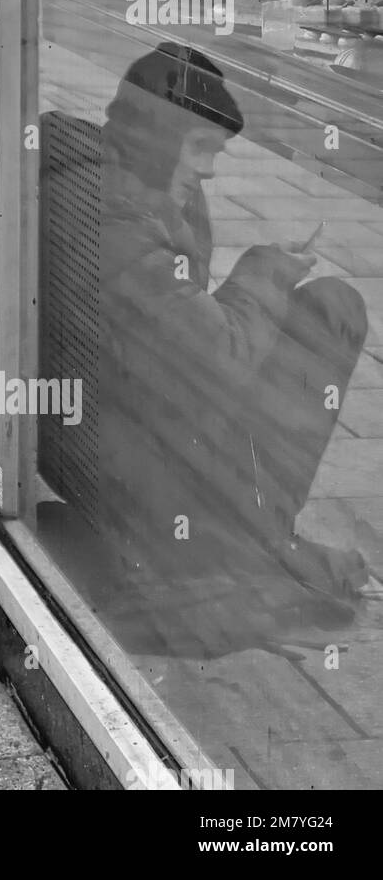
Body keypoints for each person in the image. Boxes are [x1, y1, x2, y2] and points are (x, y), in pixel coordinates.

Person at [91, 43, 369, 656]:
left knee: (324, 304)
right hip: (152, 460)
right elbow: (215, 363)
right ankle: (260, 544)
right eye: (200, 148)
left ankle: (263, 540)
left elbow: (180, 329)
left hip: (145, 428)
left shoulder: (126, 193)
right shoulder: (123, 219)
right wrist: (264, 270)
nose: (211, 170)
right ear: (158, 139)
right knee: (333, 313)